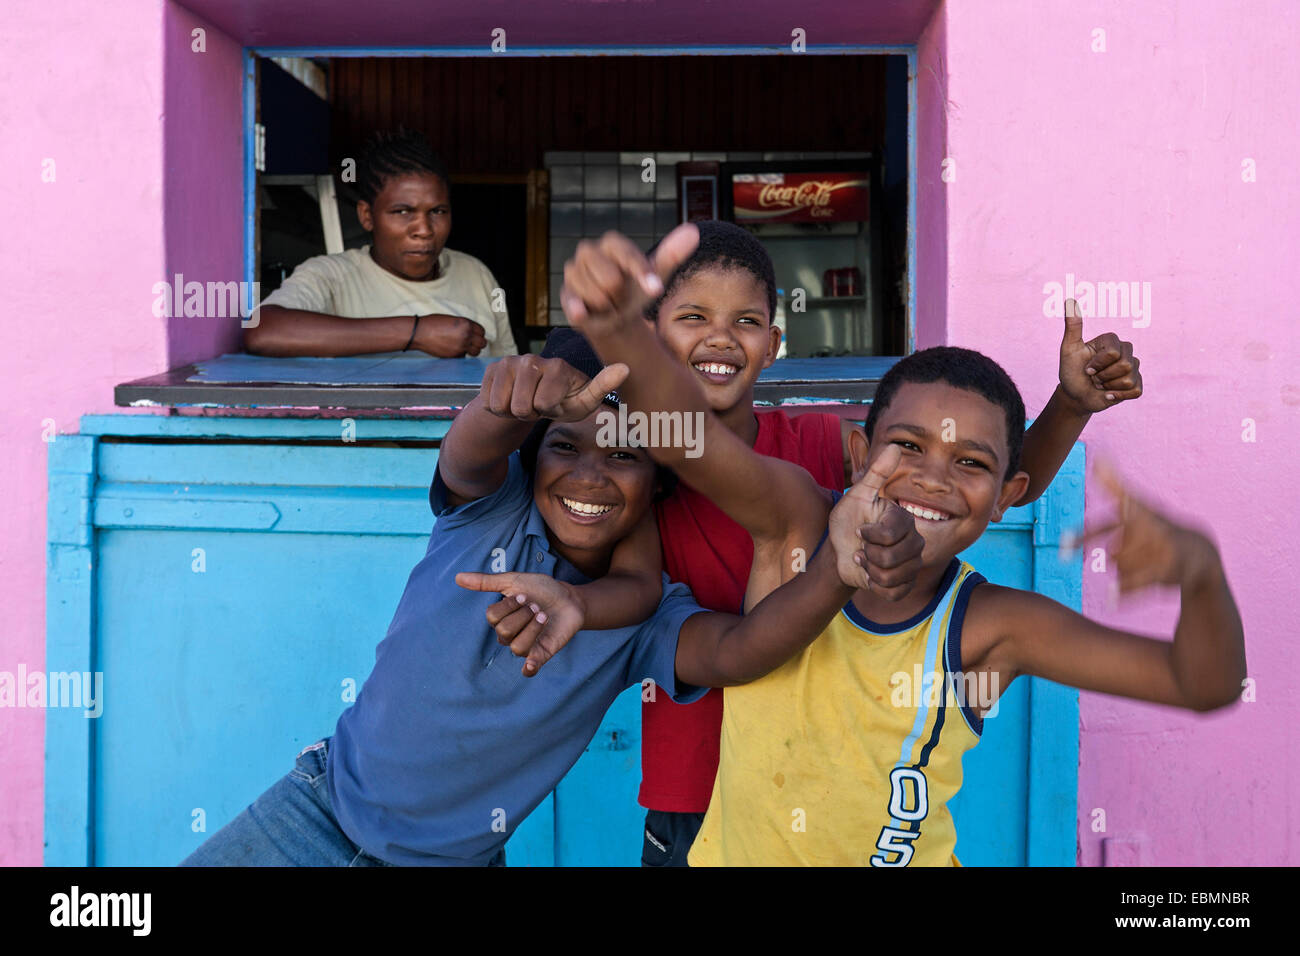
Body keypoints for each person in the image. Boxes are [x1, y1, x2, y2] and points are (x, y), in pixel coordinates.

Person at [558, 226, 1244, 866]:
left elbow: (1203, 683)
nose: (932, 476)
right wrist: (620, 333)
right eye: (908, 447)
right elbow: (690, 442)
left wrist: (1202, 573)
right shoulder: (794, 516)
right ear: (858, 457)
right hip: (698, 800)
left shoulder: (991, 624)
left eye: (968, 463)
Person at [179, 326, 893, 867]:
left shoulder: (644, 616)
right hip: (318, 817)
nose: (589, 475)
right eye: (565, 446)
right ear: (532, 452)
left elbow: (739, 652)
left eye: (623, 456)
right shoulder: (492, 508)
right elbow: (470, 448)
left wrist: (838, 566)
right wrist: (516, 392)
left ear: (659, 481)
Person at [245, 128, 517, 359]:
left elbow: (509, 365)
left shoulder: (475, 274)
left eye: (437, 211)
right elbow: (262, 331)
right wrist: (417, 333)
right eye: (402, 212)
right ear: (367, 216)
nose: (423, 230)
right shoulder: (331, 276)